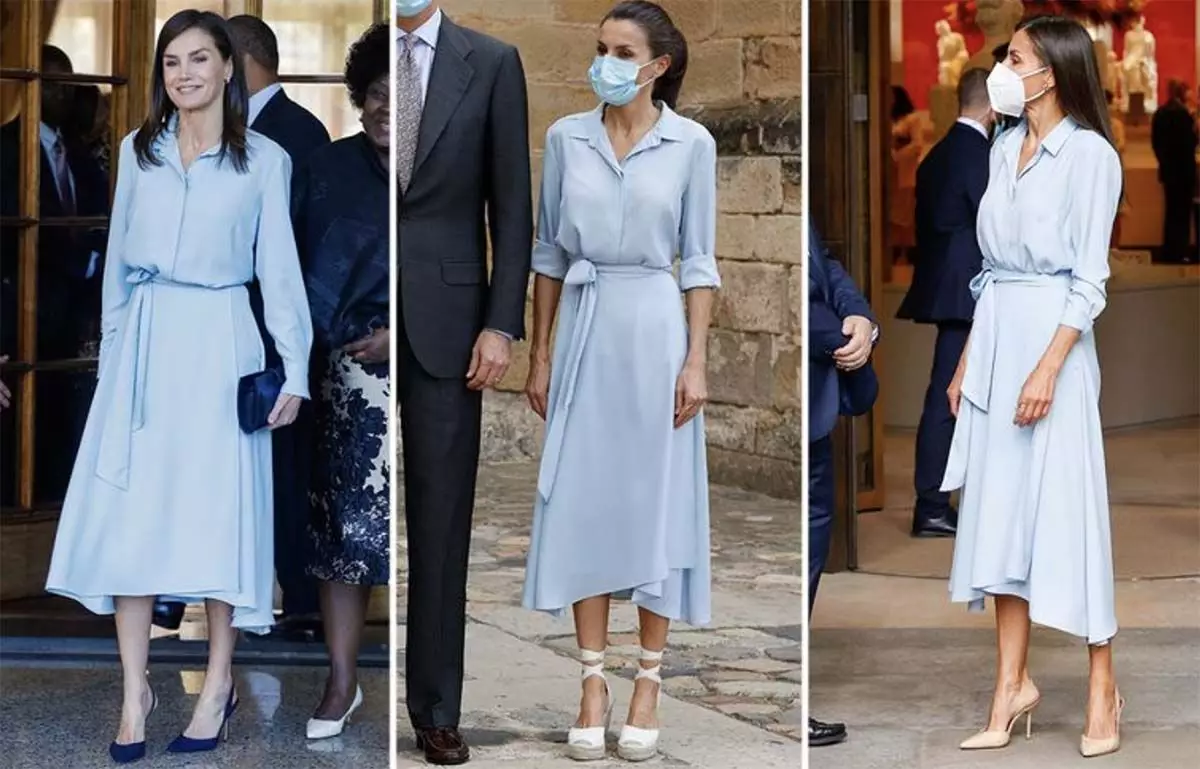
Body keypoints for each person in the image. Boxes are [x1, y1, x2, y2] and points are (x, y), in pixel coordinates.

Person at [42, 10, 312, 762]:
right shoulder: (139, 151)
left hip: (224, 335)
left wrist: (293, 366)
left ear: (229, 68)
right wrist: (114, 359)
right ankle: (135, 691)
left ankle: (218, 683)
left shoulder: (264, 160)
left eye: (200, 59)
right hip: (149, 345)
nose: (185, 74)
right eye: (172, 62)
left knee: (217, 516)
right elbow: (121, 266)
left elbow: (280, 272)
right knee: (136, 514)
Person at [519, 2, 717, 762]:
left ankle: (649, 680)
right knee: (584, 502)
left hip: (656, 327)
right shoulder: (565, 138)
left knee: (655, 503)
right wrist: (540, 353)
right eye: (600, 47)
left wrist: (695, 359)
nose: (605, 60)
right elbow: (545, 252)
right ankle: (592, 680)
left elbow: (698, 259)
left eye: (622, 49)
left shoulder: (691, 144)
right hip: (585, 325)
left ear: (658, 65)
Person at [947, 16, 1124, 757]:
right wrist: (965, 361)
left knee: (1068, 516)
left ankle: (1102, 685)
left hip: (1054, 342)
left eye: (1013, 57)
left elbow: (1090, 279)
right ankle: (1009, 685)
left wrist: (1049, 365)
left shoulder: (1091, 157)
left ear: (1050, 71)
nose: (1002, 67)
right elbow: (990, 270)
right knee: (1000, 518)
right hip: (996, 340)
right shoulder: (999, 147)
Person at [396, 1, 532, 764]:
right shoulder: (360, 49)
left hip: (451, 326)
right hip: (359, 312)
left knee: (442, 526)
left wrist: (499, 322)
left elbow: (512, 207)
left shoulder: (494, 60)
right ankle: (340, 674)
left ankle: (437, 708)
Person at [293, 22, 390, 741]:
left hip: (426, 372)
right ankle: (340, 679)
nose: (387, 105)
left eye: (402, 94)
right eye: (375, 92)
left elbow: (468, 275)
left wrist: (406, 331)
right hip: (343, 382)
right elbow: (297, 273)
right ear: (359, 97)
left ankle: (433, 695)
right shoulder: (325, 169)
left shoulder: (440, 171)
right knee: (342, 537)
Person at [0, 45, 110, 505]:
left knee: (66, 447)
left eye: (69, 81)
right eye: (55, 82)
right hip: (20, 318)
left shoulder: (82, 156)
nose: (65, 91)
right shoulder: (4, 150)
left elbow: (104, 223)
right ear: (32, 85)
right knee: (18, 450)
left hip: (77, 330)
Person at [897, 68, 994, 539]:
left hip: (947, 283)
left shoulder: (937, 154)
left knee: (948, 395)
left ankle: (942, 499)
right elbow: (995, 224)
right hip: (970, 290)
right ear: (993, 105)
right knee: (947, 398)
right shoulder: (979, 155)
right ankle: (933, 504)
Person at [806, 223, 878, 748]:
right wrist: (837, 337)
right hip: (808, 387)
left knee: (815, 539)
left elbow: (822, 264)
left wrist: (859, 315)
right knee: (807, 543)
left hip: (819, 409)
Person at [1150, 79, 1198, 264]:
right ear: (1182, 93)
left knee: (1170, 213)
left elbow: (1156, 143)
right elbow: (1190, 143)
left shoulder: (1160, 114)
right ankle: (1181, 251)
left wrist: (1164, 162)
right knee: (1183, 214)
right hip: (1184, 171)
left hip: (1168, 171)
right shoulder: (1184, 115)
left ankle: (1169, 250)